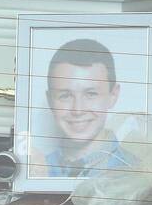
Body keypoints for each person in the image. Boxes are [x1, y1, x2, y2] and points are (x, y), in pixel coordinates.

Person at [29, 39, 135, 179]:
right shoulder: (36, 171)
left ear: (113, 96)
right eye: (65, 96)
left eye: (91, 94)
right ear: (50, 101)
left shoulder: (136, 172)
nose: (78, 110)